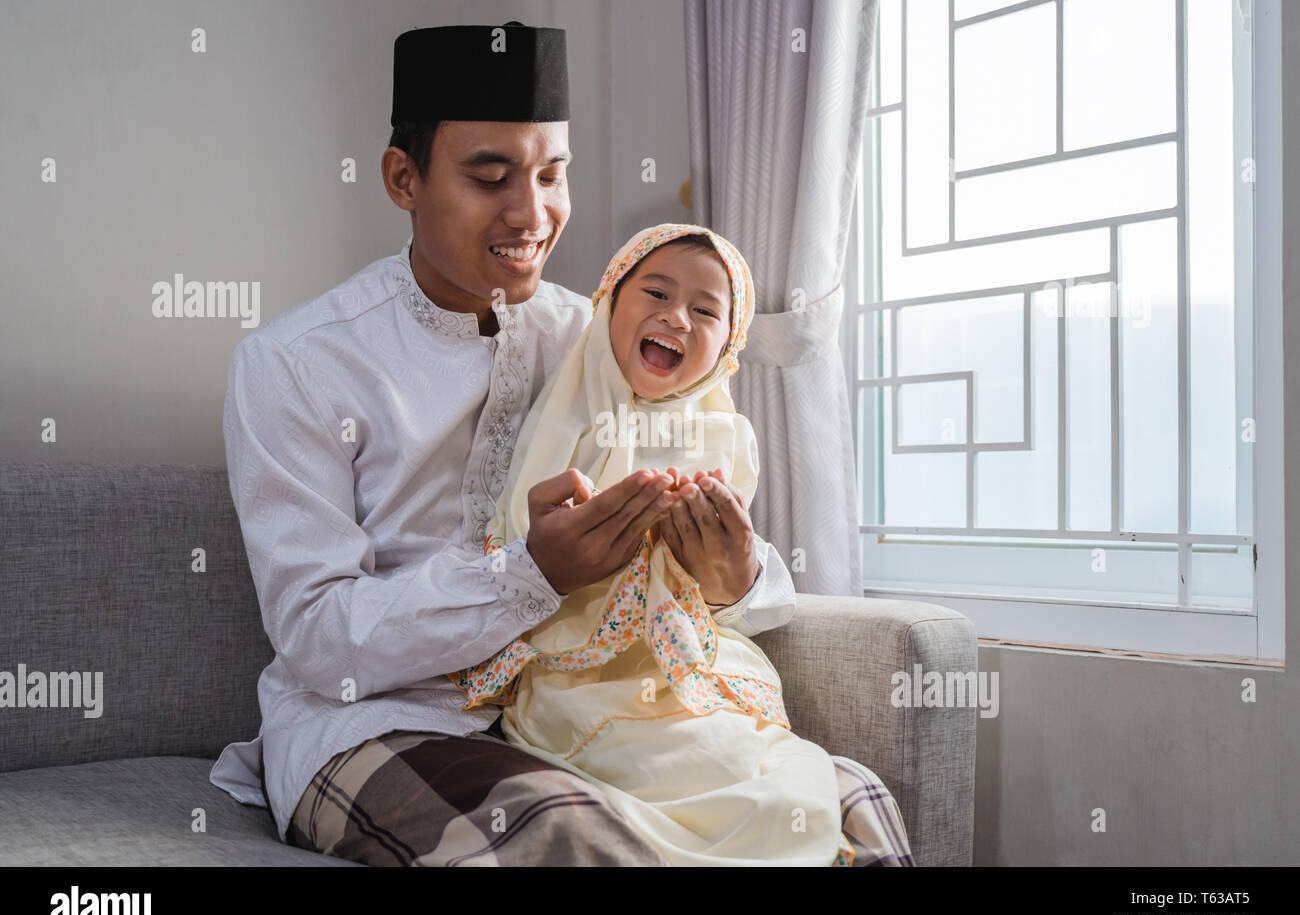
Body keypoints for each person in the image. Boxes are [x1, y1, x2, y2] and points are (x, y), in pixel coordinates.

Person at [208, 22, 798, 866]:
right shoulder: (295, 364)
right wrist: (528, 574)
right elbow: (317, 637)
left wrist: (735, 575)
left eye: (553, 175)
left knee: (839, 802)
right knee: (560, 830)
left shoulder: (595, 335)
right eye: (491, 177)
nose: (533, 213)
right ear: (402, 178)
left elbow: (717, 528)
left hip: (585, 712)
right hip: (375, 722)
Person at [448, 223, 914, 866]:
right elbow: (511, 551)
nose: (677, 318)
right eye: (657, 294)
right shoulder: (564, 413)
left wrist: (725, 569)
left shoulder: (727, 438)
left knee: (781, 772)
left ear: (728, 345)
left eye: (705, 310)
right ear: (611, 301)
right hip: (581, 677)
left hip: (692, 662)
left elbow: (734, 586)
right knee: (676, 770)